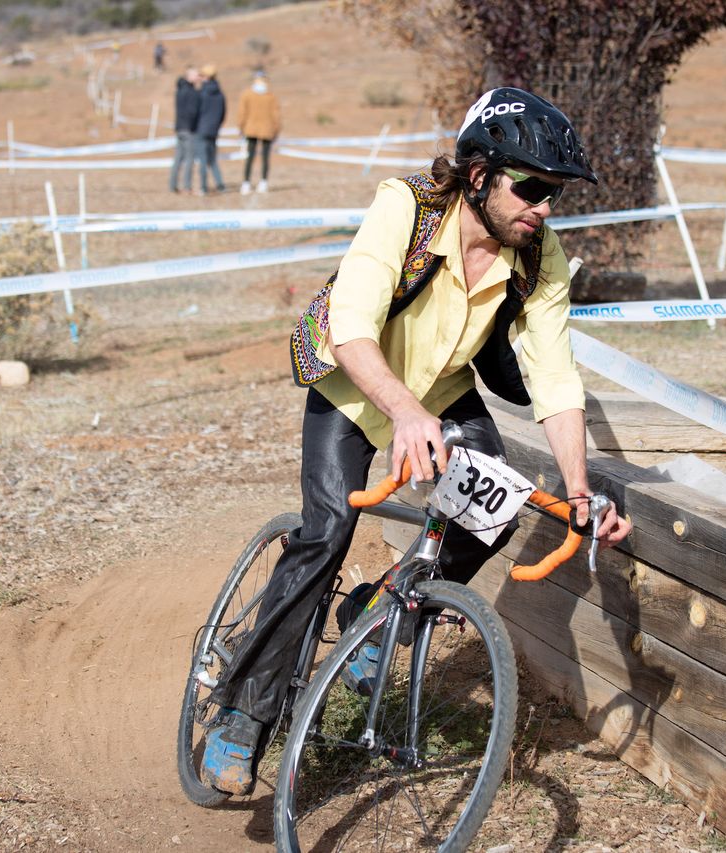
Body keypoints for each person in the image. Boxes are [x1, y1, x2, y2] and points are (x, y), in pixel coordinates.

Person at [199, 87, 632, 796]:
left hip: (440, 391)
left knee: (491, 510)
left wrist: (580, 490)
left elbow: (556, 381)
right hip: (356, 381)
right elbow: (351, 325)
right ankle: (242, 717)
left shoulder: (539, 256)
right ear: (479, 173)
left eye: (555, 193)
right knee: (327, 532)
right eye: (531, 187)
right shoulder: (405, 207)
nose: (545, 207)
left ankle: (375, 611)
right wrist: (401, 411)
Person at [237, 70, 280, 194]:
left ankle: (246, 183)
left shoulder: (247, 94)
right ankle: (263, 182)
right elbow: (276, 115)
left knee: (250, 157)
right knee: (265, 158)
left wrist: (241, 127)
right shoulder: (271, 96)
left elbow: (242, 113)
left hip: (250, 129)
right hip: (267, 130)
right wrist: (276, 130)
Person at [194, 65, 227, 194]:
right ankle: (220, 185)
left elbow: (197, 111)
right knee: (213, 160)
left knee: (203, 160)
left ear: (207, 77)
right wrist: (216, 126)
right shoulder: (220, 94)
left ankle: (203, 187)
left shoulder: (202, 93)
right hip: (214, 131)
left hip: (202, 130)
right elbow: (223, 113)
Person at [169, 66, 201, 194]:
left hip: (180, 128)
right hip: (189, 129)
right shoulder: (192, 92)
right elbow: (192, 112)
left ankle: (173, 185)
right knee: (189, 159)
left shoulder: (179, 90)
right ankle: (187, 186)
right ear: (189, 76)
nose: (198, 77)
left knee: (178, 158)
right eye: (196, 75)